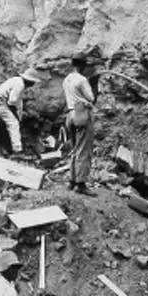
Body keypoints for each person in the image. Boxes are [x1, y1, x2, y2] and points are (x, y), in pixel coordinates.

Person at [0, 68, 42, 155]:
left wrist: (19, 115)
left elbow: (17, 102)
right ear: (29, 80)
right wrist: (15, 116)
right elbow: (12, 101)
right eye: (33, 82)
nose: (33, 84)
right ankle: (17, 150)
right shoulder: (20, 84)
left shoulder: (16, 80)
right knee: (13, 123)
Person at [63, 51, 96, 196]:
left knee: (74, 149)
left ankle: (72, 181)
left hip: (69, 114)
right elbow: (91, 97)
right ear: (82, 65)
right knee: (83, 149)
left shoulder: (67, 79)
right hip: (81, 114)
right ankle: (81, 184)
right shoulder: (82, 80)